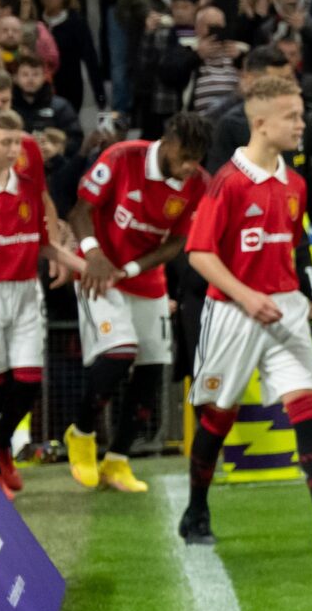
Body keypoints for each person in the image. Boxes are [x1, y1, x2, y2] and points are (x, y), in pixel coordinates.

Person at [177, 76, 312, 552]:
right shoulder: (228, 181)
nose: (301, 124)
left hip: (284, 308)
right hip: (233, 311)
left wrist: (305, 282)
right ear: (261, 123)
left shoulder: (295, 182)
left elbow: (292, 243)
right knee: (218, 416)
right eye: (292, 116)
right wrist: (246, 296)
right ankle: (196, 510)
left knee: (307, 403)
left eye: (301, 115)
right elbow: (200, 254)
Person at [66, 113, 212, 493]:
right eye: (185, 157)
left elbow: (176, 242)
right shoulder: (122, 157)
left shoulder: (198, 183)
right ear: (168, 140)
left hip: (143, 279)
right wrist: (93, 254)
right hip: (98, 273)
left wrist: (129, 269)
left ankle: (117, 461)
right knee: (119, 353)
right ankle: (81, 434)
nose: (190, 167)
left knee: (153, 369)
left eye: (197, 159)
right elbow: (80, 210)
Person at [0, 108, 82, 497]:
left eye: (17, 142)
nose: (13, 149)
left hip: (26, 292)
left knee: (28, 381)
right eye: (5, 142)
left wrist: (86, 266)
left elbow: (44, 244)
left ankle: (2, 442)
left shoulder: (27, 188)